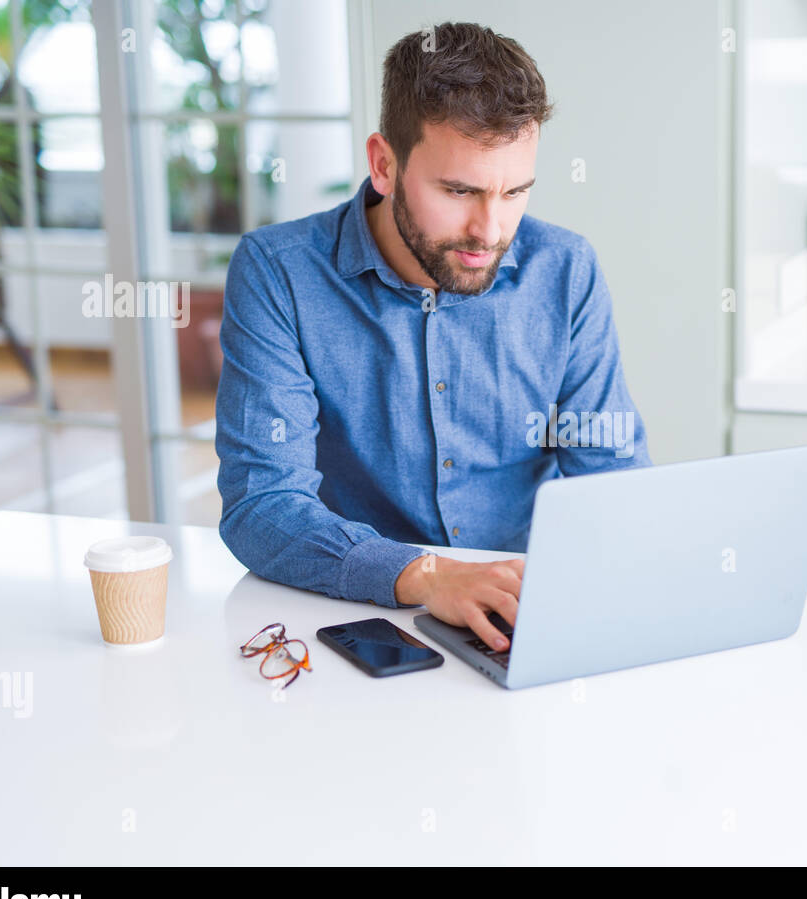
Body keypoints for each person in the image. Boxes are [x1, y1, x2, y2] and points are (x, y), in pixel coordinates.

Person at [215, 22, 651, 652]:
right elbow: (262, 505)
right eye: (459, 191)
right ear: (384, 164)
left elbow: (610, 474)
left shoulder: (566, 269)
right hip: (360, 618)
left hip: (521, 613)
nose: (489, 229)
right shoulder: (278, 272)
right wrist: (426, 577)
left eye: (515, 192)